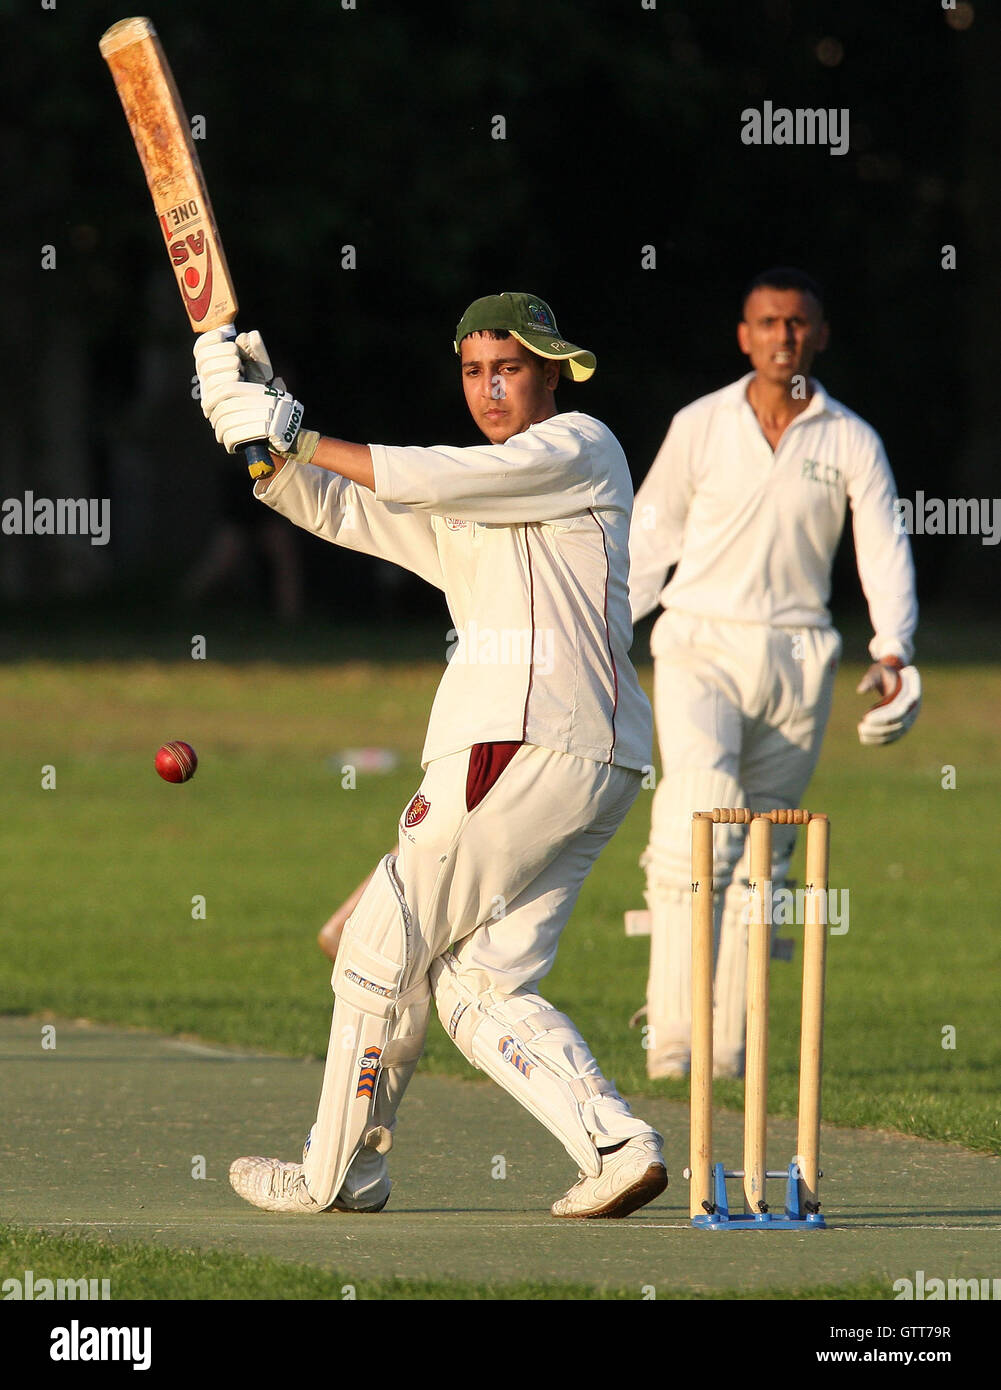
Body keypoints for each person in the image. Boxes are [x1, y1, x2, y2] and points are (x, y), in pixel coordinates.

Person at [193, 291, 667, 1218]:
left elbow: (431, 477)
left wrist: (292, 426)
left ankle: (335, 1176)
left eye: (511, 369)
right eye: (474, 371)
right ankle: (615, 1145)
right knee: (477, 984)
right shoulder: (481, 498)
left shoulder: (579, 448)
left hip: (517, 744)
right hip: (585, 761)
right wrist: (249, 428)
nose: (491, 389)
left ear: (553, 373)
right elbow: (349, 508)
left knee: (379, 943)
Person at [628, 267, 920, 1081]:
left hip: (798, 656)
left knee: (762, 856)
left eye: (796, 324)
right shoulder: (699, 425)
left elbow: (881, 551)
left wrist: (891, 650)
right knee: (700, 811)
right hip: (697, 643)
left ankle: (726, 1049)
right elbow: (649, 541)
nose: (781, 336)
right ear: (743, 336)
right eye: (766, 322)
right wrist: (605, 631)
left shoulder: (850, 439)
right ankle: (673, 1035)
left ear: (817, 337)